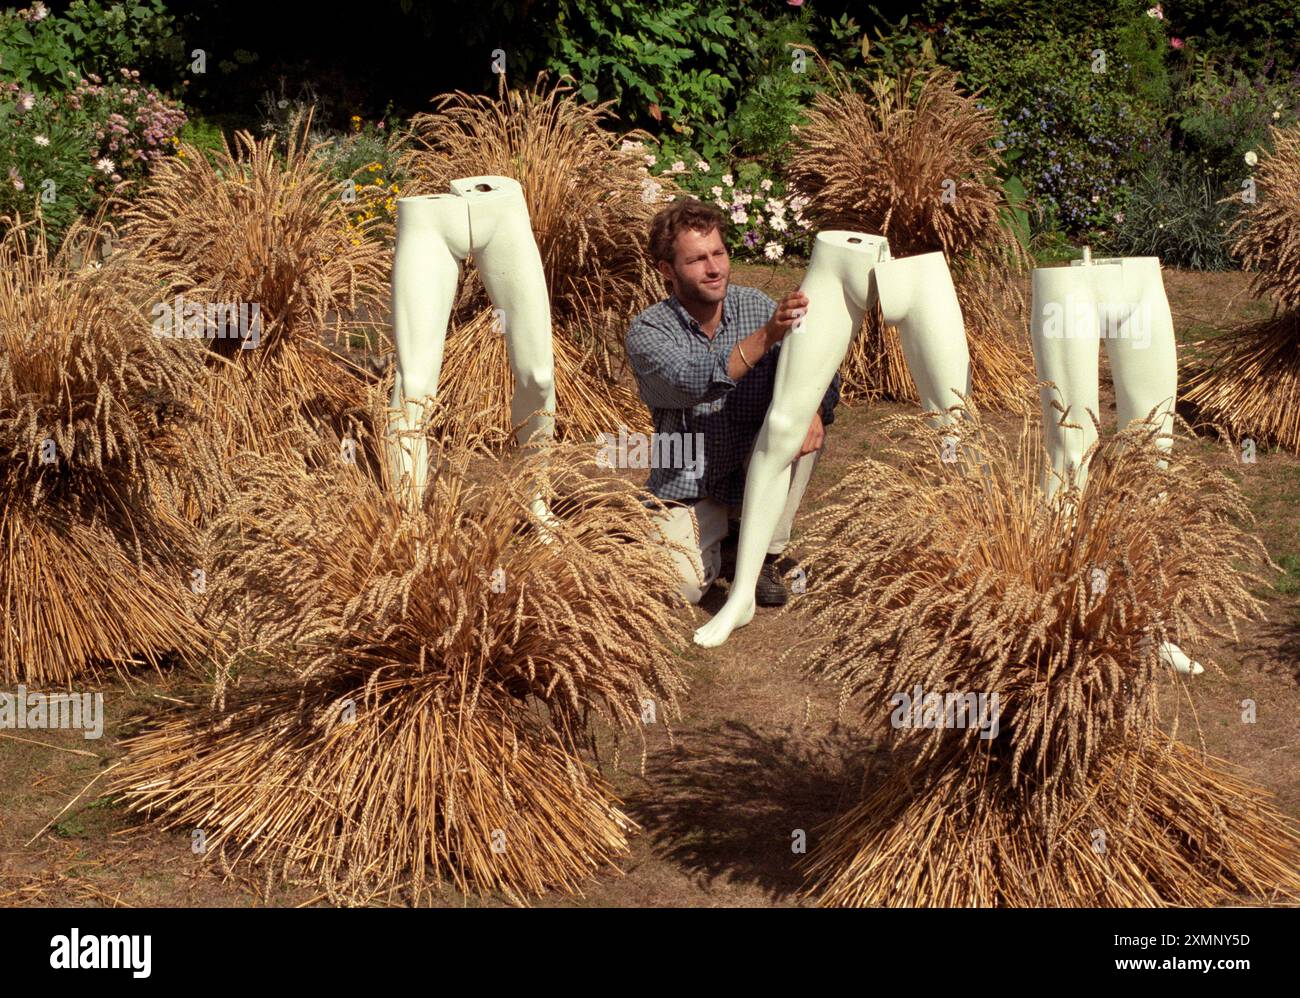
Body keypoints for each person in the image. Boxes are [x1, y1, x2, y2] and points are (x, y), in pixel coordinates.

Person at [625, 197, 839, 606]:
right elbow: (690, 382)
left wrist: (812, 408)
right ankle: (715, 534)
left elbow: (822, 372)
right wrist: (767, 338)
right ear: (667, 270)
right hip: (689, 479)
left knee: (796, 416)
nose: (714, 268)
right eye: (697, 260)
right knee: (678, 588)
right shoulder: (649, 331)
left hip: (754, 463)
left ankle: (763, 555)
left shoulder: (755, 306)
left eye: (719, 253)